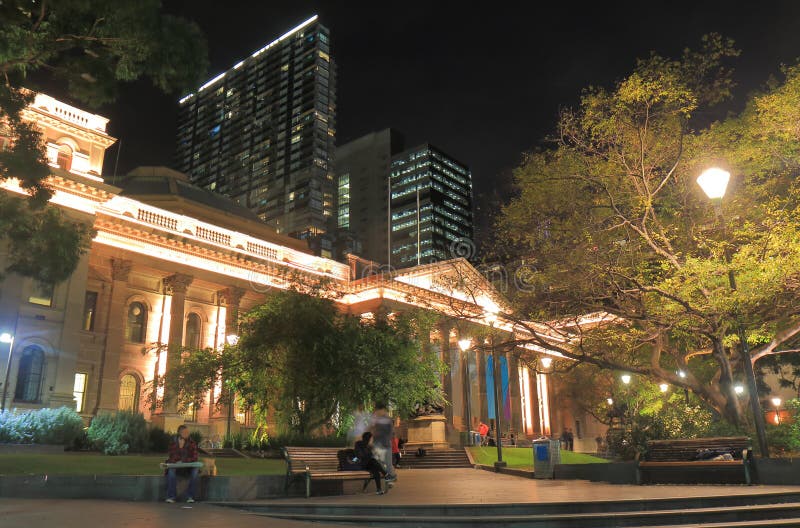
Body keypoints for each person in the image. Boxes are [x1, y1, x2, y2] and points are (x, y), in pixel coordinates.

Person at [165, 424, 199, 503]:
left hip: (188, 468)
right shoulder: (173, 442)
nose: (187, 434)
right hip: (176, 467)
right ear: (180, 433)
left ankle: (190, 496)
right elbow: (172, 458)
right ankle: (171, 496)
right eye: (185, 432)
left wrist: (184, 460)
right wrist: (180, 447)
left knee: (195, 471)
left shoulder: (191, 442)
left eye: (188, 432)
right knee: (171, 471)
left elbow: (195, 457)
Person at [371, 403, 397, 484]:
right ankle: (390, 476)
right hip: (383, 443)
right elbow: (392, 432)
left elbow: (391, 432)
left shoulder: (383, 419)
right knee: (382, 462)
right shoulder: (384, 419)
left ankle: (391, 476)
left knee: (382, 462)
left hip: (382, 444)